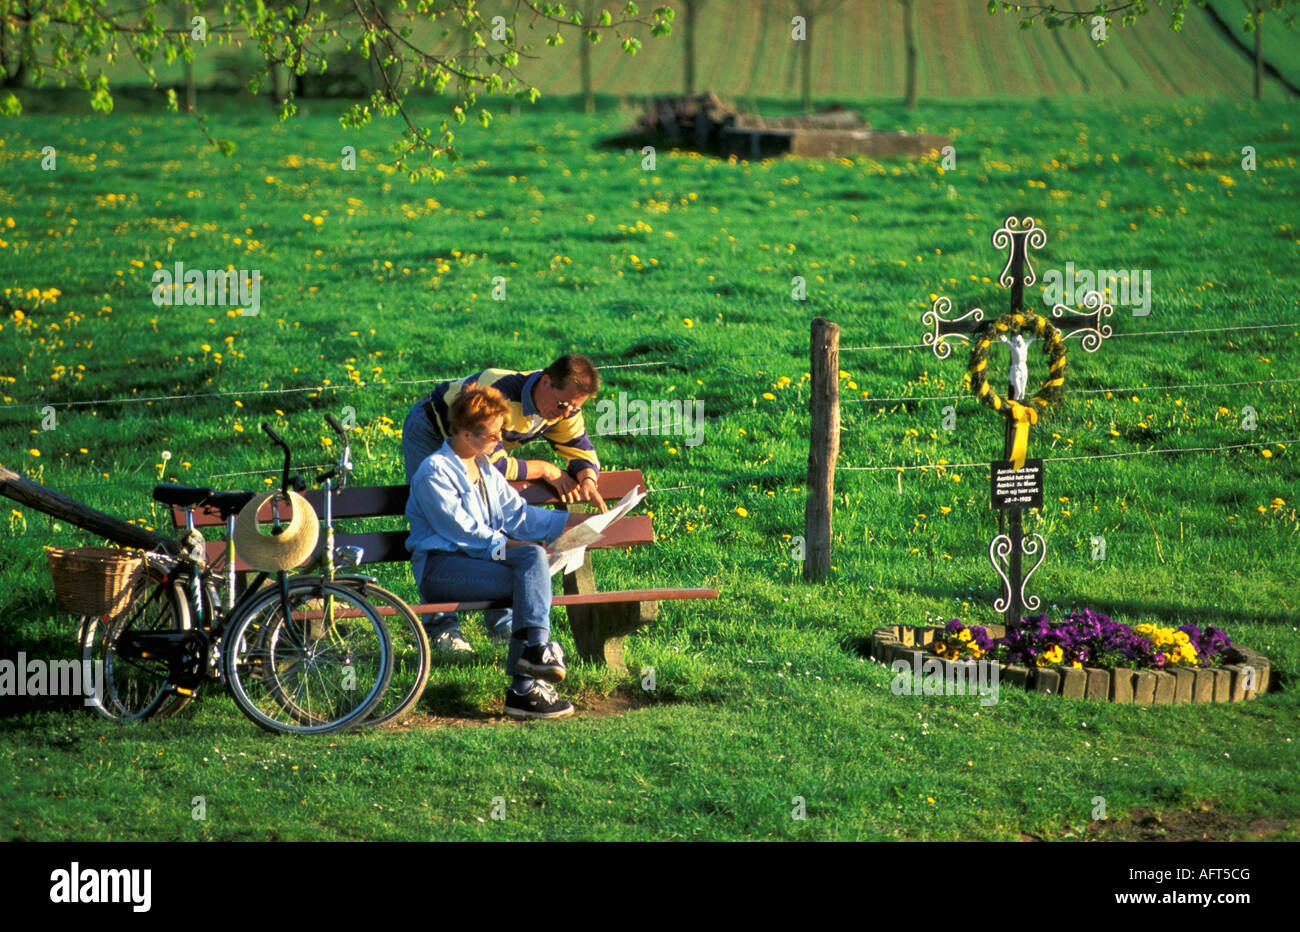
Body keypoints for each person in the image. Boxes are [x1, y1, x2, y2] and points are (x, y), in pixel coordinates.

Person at [402, 354, 608, 652]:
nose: (567, 414)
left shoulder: (562, 407)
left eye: (575, 408)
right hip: (432, 427)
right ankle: (443, 626)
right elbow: (493, 469)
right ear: (547, 382)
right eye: (564, 406)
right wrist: (544, 469)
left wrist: (585, 486)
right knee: (445, 530)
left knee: (520, 551)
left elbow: (578, 451)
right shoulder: (494, 393)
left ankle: (513, 635)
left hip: (476, 449)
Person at [406, 385, 589, 719]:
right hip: (443, 571)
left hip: (481, 567)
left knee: (531, 566)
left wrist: (570, 523)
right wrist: (512, 546)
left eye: (501, 433)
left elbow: (518, 515)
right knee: (531, 568)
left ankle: (531, 662)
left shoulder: (485, 469)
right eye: (493, 435)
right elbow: (462, 531)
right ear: (463, 432)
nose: (499, 441)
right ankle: (525, 685)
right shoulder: (434, 472)